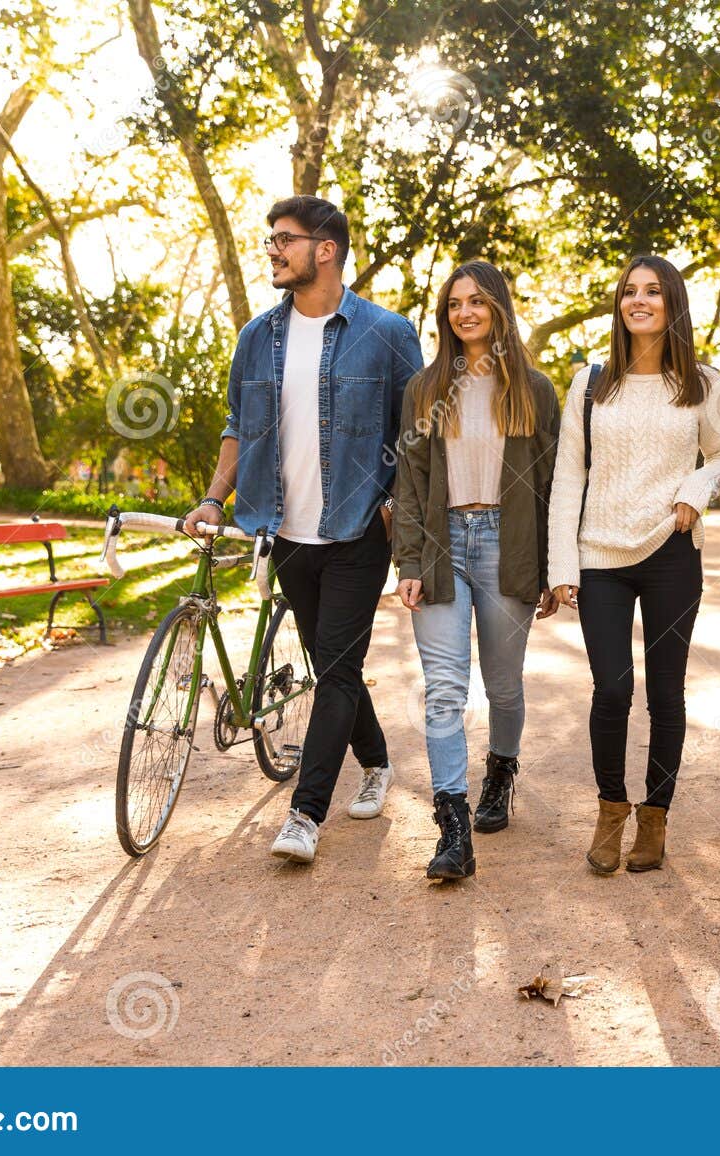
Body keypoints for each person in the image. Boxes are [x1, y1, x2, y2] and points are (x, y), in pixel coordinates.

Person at [183, 194, 424, 865]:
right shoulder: (256, 336)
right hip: (285, 530)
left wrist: (395, 503)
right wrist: (213, 499)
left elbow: (416, 431)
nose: (272, 250)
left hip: (356, 532)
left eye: (283, 239)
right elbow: (238, 426)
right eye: (270, 240)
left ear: (325, 249)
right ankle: (377, 762)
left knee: (337, 670)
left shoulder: (388, 332)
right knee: (333, 665)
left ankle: (305, 814)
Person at [546, 255, 720, 874]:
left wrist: (694, 491)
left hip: (670, 554)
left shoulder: (702, 383)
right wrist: (562, 566)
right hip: (600, 556)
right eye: (630, 291)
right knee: (611, 688)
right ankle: (610, 810)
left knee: (665, 693)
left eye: (653, 291)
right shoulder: (591, 382)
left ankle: (655, 818)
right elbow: (568, 475)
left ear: (672, 303)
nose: (639, 300)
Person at [391, 260, 561, 880]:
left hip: (506, 545)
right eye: (455, 303)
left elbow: (554, 483)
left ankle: (501, 771)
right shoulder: (425, 389)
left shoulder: (535, 391)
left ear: (498, 310)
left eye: (478, 302)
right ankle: (452, 828)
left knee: (504, 685)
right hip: (442, 546)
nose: (465, 312)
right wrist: (409, 559)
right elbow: (409, 483)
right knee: (443, 689)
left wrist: (552, 567)